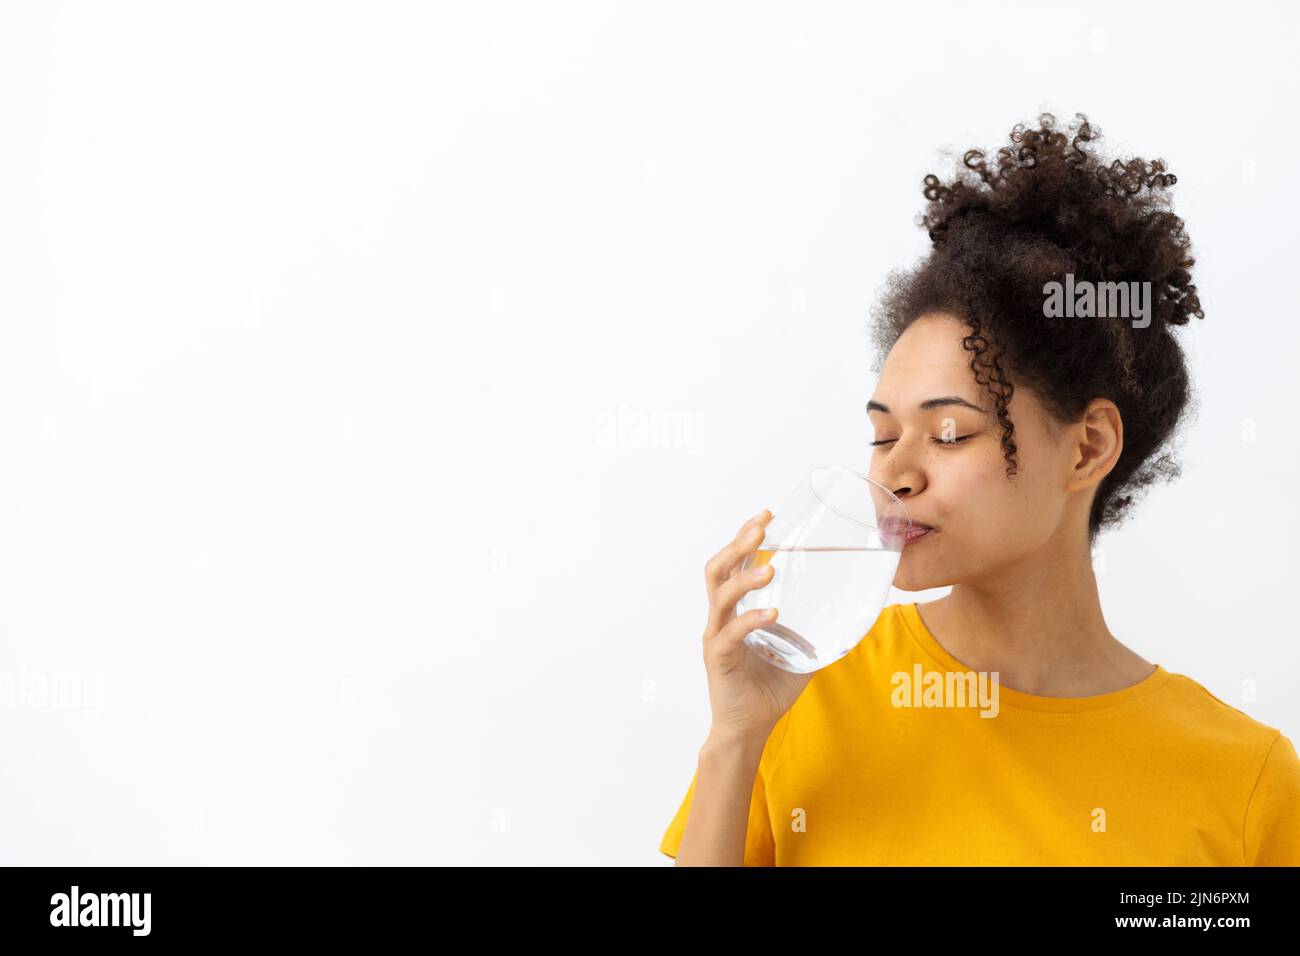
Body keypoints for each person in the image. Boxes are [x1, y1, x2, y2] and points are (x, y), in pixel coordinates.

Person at [660, 112, 1300, 866]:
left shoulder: (1246, 783)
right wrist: (734, 741)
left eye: (950, 433)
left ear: (1087, 447)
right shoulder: (800, 697)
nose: (896, 472)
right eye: (882, 434)